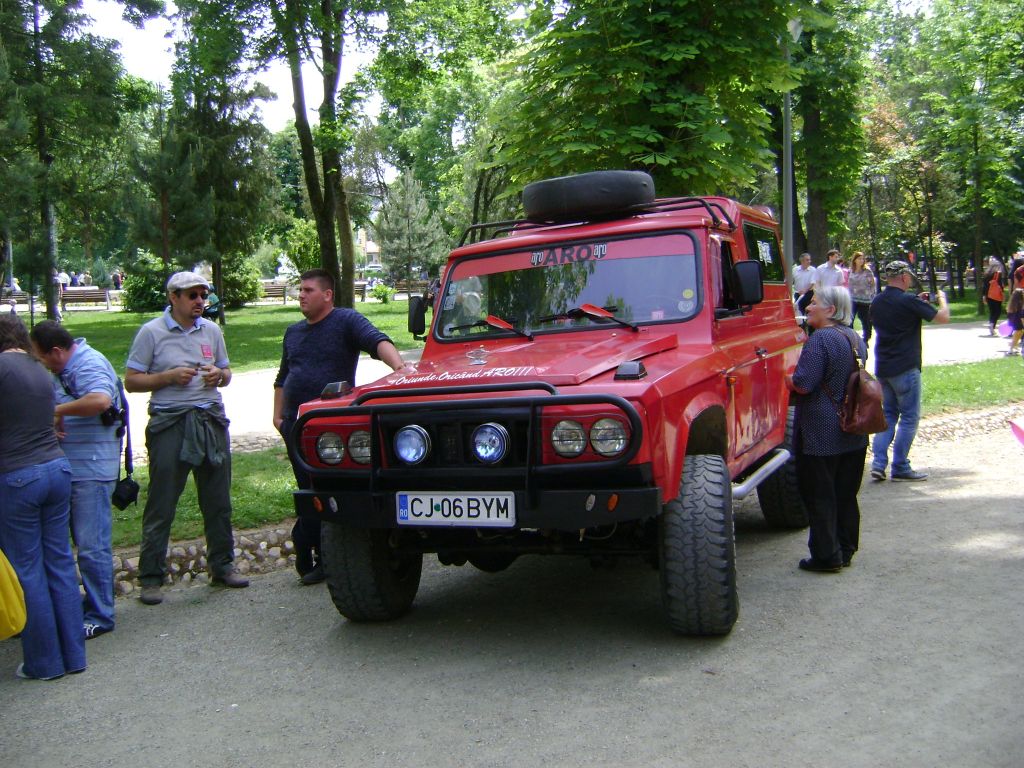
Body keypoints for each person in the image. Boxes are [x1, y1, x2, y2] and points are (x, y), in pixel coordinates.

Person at [273, 268, 409, 584]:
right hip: (294, 423)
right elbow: (282, 377)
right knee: (307, 487)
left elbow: (378, 342)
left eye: (308, 290)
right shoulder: (293, 332)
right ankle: (311, 548)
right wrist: (278, 416)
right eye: (300, 290)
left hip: (328, 428)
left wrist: (400, 367)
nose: (301, 295)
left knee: (327, 489)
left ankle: (318, 552)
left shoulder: (345, 321)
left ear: (327, 294)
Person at [125, 271, 248, 605]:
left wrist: (218, 375)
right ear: (173, 297)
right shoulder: (151, 332)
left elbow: (227, 372)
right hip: (171, 423)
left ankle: (223, 566)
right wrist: (166, 377)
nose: (199, 302)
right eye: (192, 295)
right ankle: (151, 577)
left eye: (203, 295)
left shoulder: (211, 330)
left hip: (210, 419)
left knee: (218, 498)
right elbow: (132, 381)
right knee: (163, 501)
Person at [0, 314, 86, 680]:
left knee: (27, 569)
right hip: (56, 469)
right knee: (61, 562)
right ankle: (73, 655)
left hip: (18, 475)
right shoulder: (40, 370)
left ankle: (43, 662)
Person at [30, 321, 122, 640]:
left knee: (91, 546)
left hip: (92, 470)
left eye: (41, 357)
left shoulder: (89, 362)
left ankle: (101, 615)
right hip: (76, 466)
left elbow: (100, 400)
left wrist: (58, 410)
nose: (40, 363)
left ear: (56, 351)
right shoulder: (65, 369)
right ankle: (85, 606)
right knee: (79, 544)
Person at [786, 286, 867, 572]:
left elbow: (803, 384)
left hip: (821, 432)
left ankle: (826, 555)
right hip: (854, 427)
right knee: (845, 494)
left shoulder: (820, 340)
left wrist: (786, 378)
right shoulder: (855, 337)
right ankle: (845, 549)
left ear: (830, 310)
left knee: (820, 495)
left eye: (814, 303)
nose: (807, 307)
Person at [869, 260, 950, 482]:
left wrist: (917, 304)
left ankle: (878, 463)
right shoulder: (909, 301)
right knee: (909, 418)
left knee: (888, 416)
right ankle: (900, 466)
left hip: (884, 368)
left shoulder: (877, 302)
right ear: (905, 277)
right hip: (906, 367)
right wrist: (943, 301)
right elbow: (943, 318)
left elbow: (893, 318)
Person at [847, 251, 877, 345]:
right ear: (854, 260)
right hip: (853, 299)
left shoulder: (867, 271)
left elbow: (872, 284)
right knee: (850, 319)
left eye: (862, 259)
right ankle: (851, 338)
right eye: (859, 259)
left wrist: (872, 295)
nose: (861, 260)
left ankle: (866, 338)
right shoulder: (850, 270)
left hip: (865, 299)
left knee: (865, 320)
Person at [983, 257, 1005, 336]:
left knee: (992, 311)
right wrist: (1003, 292)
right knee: (997, 311)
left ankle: (991, 324)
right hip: (996, 295)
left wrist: (984, 296)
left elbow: (984, 286)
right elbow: (1000, 285)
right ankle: (992, 325)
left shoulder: (987, 273)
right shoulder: (998, 273)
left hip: (988, 295)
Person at [1006, 288, 1023, 356]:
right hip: (1018, 321)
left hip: (1014, 321)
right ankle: (1011, 349)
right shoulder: (1020, 303)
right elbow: (1021, 314)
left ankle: (1014, 347)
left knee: (1019, 333)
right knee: (1018, 333)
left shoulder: (1012, 302)